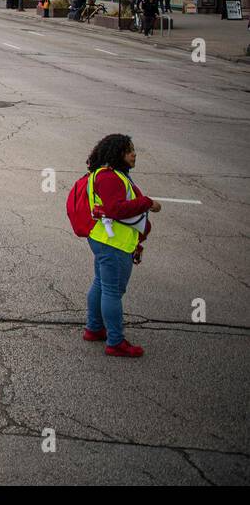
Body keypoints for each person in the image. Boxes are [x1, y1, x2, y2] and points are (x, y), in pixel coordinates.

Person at [82, 134, 160, 358]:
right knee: (112, 290)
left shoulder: (110, 174)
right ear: (118, 154)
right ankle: (115, 342)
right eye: (129, 150)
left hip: (104, 239)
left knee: (101, 284)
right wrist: (147, 203)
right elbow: (116, 209)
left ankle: (95, 328)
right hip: (113, 242)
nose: (134, 154)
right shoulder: (110, 177)